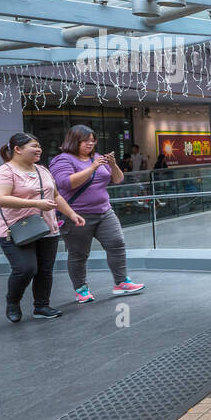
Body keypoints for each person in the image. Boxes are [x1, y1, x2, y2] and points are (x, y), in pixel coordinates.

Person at [0, 132, 86, 323]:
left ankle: (41, 306)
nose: (39, 149)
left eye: (39, 145)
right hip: (16, 230)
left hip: (46, 228)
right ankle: (13, 301)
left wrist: (71, 214)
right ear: (17, 149)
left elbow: (56, 196)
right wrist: (36, 204)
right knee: (25, 269)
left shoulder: (43, 170)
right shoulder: (4, 172)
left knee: (45, 270)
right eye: (34, 146)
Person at [50, 125, 146, 303]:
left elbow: (117, 179)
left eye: (92, 140)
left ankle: (121, 282)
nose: (90, 143)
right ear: (74, 141)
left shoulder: (97, 157)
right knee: (78, 254)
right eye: (85, 140)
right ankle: (81, 289)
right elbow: (65, 183)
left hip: (104, 211)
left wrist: (113, 165)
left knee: (116, 242)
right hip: (76, 214)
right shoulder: (62, 160)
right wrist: (92, 168)